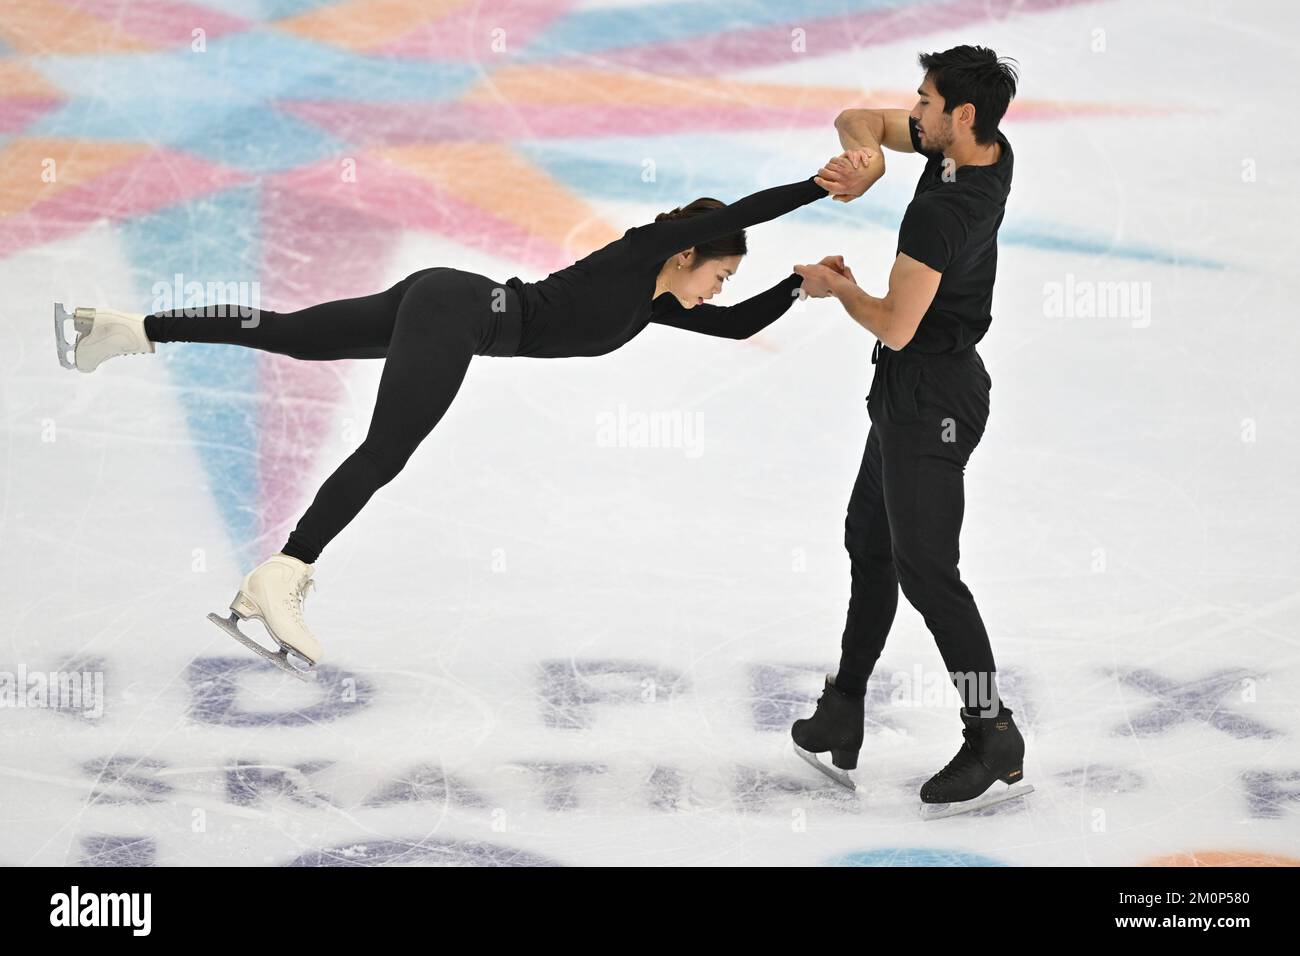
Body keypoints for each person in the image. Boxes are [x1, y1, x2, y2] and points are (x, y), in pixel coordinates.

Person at [54, 157, 864, 678]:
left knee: (293, 335)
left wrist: (801, 285)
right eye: (719, 273)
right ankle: (285, 572)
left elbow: (735, 326)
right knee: (385, 450)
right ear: (690, 252)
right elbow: (742, 213)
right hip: (458, 313)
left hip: (447, 298)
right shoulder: (639, 256)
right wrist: (817, 188)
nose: (717, 289)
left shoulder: (650, 306)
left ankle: (123, 330)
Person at [787, 45, 1032, 817]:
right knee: (871, 541)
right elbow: (862, 118)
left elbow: (895, 326)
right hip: (916, 389)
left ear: (960, 115)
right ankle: (844, 709)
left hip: (933, 399)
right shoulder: (986, 149)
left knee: (928, 572)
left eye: (924, 103)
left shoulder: (942, 210)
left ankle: (993, 733)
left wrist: (838, 287)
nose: (912, 111)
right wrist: (868, 156)